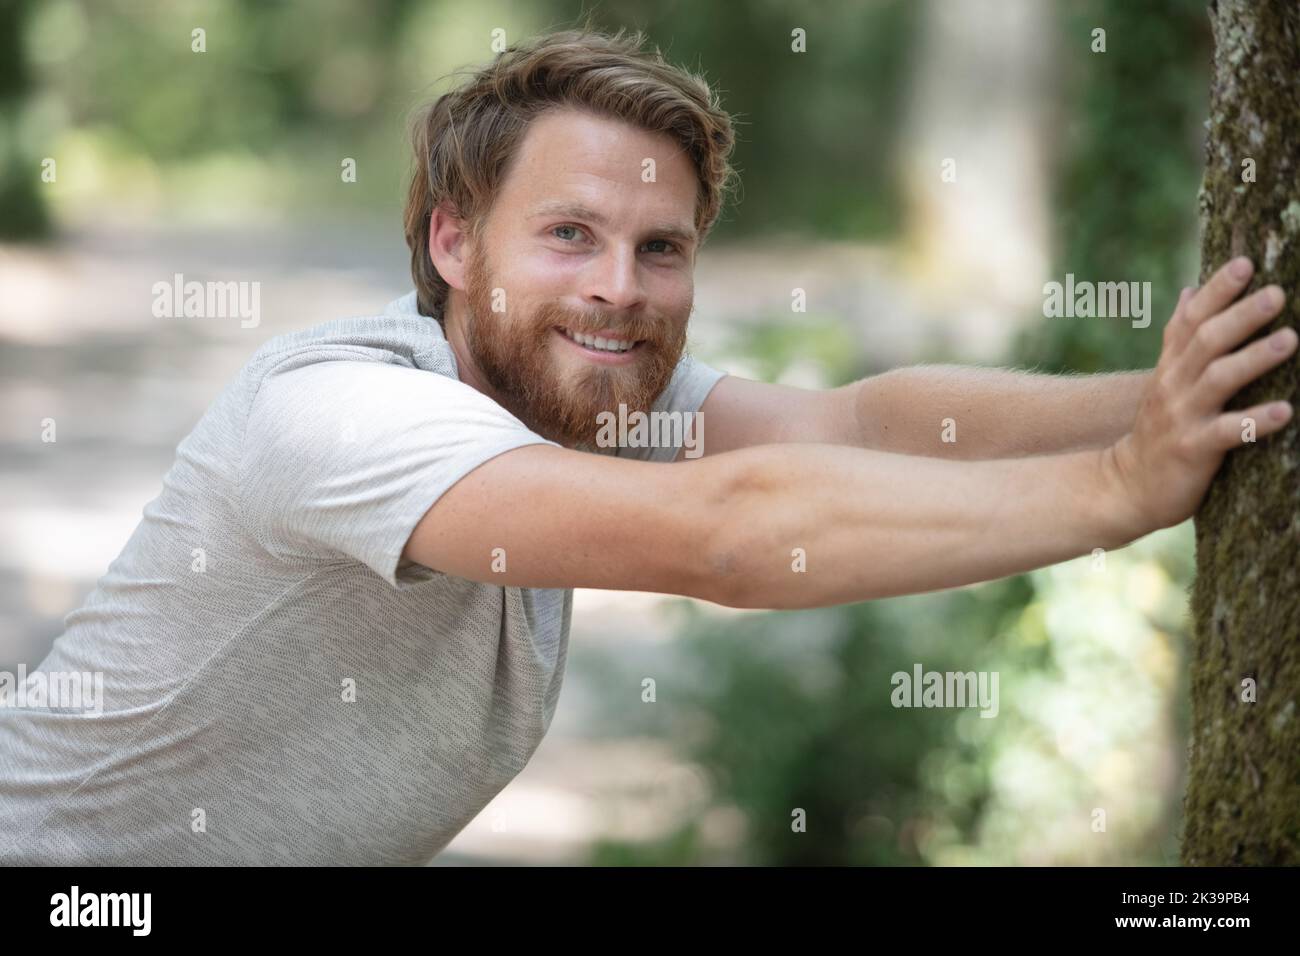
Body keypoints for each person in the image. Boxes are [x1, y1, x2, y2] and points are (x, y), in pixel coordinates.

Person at [0, 27, 1292, 866]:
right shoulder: (342, 419)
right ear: (455, 245)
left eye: (658, 247)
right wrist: (1124, 491)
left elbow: (859, 422)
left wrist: (1184, 393)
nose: (620, 287)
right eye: (568, 236)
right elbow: (728, 537)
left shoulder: (577, 400)